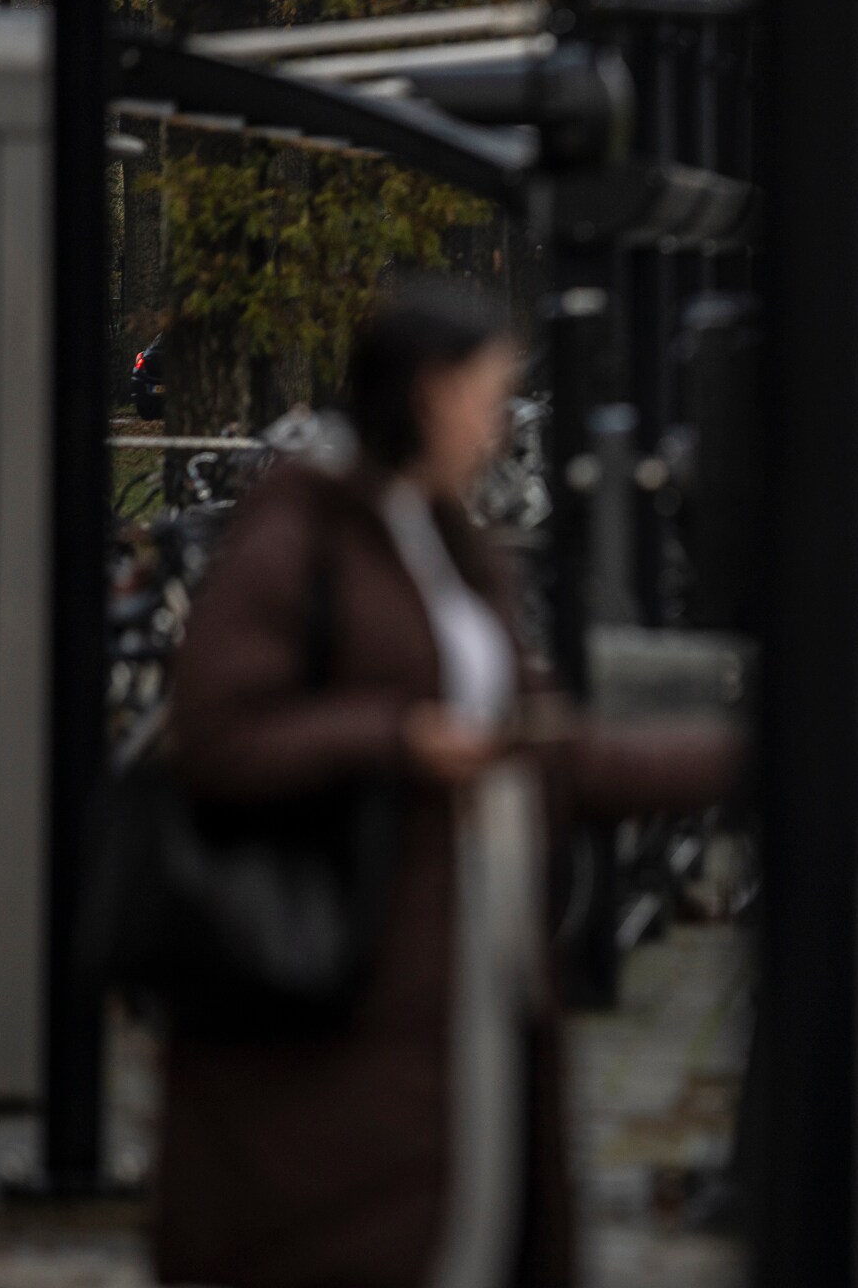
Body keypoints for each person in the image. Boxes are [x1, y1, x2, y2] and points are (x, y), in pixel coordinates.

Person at [151, 280, 738, 1288]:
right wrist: (399, 738)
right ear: (425, 393)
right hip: (351, 973)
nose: (501, 422)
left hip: (459, 961)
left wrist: (739, 754)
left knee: (454, 1214)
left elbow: (536, 746)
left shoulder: (445, 543)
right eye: (485, 394)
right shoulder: (303, 535)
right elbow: (217, 733)